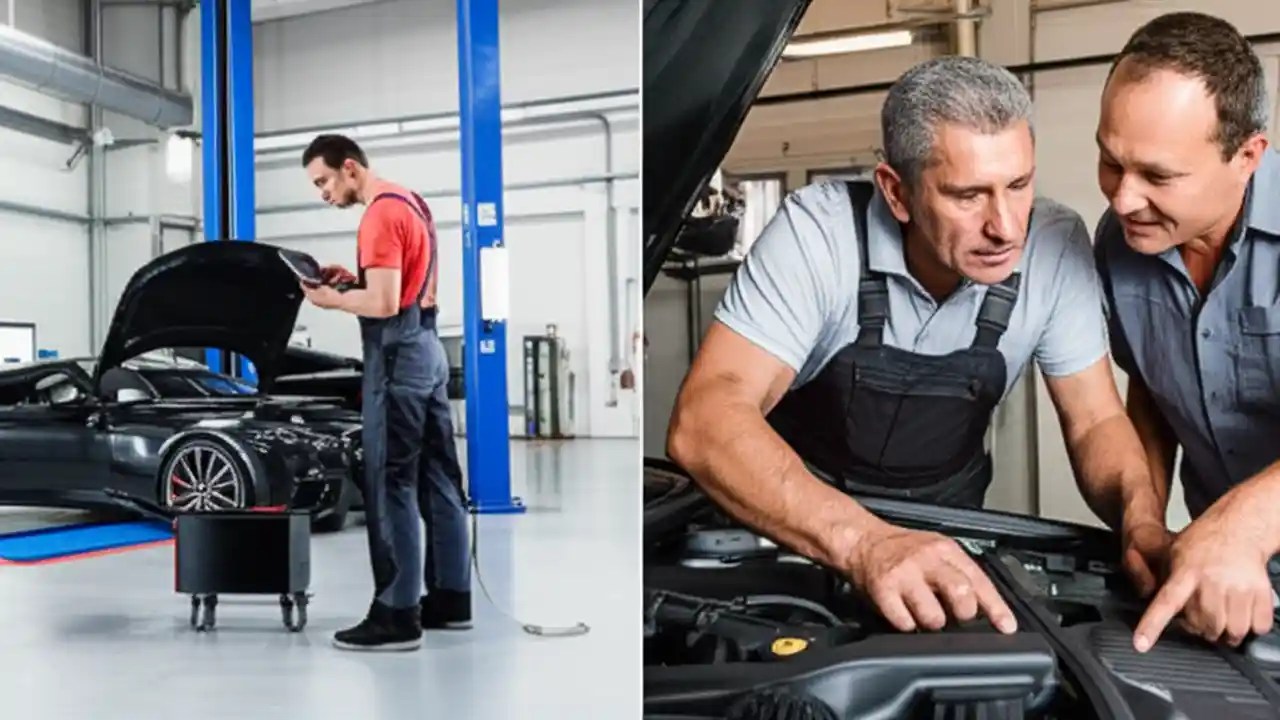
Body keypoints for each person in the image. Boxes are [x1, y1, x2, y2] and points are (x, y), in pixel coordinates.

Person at [666, 55, 1166, 635]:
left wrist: (1142, 518)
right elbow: (705, 418)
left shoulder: (1055, 245)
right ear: (896, 193)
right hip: (792, 537)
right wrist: (867, 544)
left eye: (1019, 185)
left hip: (945, 535)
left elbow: (1096, 420)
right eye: (967, 195)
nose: (1005, 227)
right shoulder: (819, 234)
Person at [1093, 12, 1279, 653]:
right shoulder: (1119, 244)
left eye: (1157, 176)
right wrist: (1142, 512)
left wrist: (1243, 524)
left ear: (1247, 156)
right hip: (1219, 591)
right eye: (1110, 161)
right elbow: (1152, 391)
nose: (1122, 200)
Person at [299, 134, 472, 651]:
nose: (323, 193)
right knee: (439, 477)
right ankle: (450, 598)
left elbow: (384, 303)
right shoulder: (410, 202)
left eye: (324, 181)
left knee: (390, 480)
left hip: (397, 356)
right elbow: (402, 285)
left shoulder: (377, 215)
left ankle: (396, 615)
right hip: (429, 348)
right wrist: (353, 280)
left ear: (350, 168)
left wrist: (331, 300)